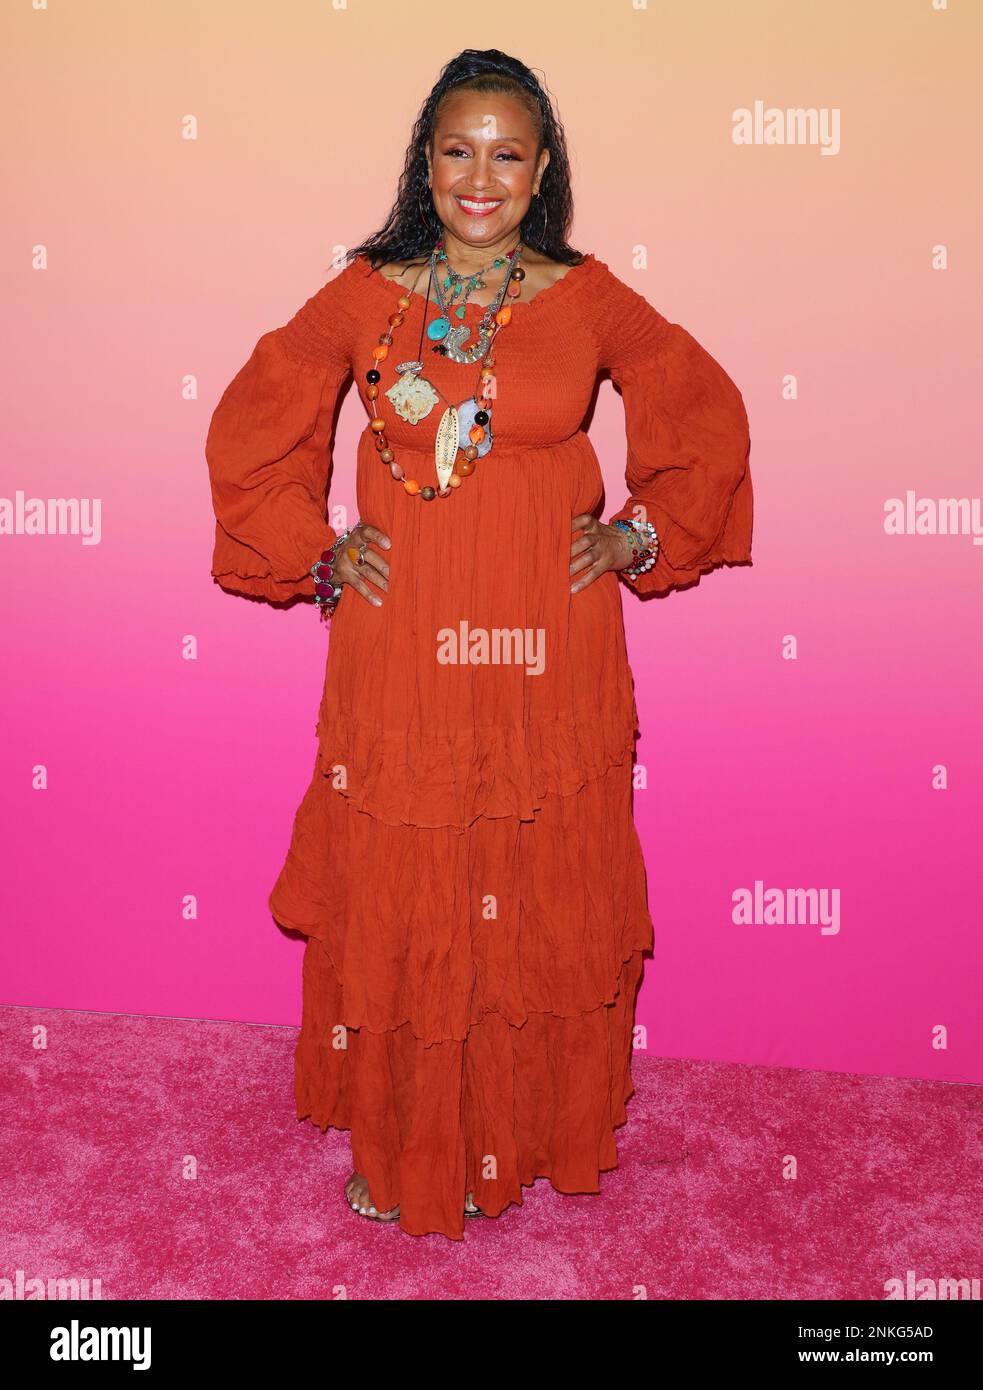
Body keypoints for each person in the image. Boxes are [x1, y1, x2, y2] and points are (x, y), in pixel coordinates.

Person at [205, 48, 752, 1241]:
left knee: (524, 855)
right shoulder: (366, 291)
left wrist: (638, 536)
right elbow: (262, 412)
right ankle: (409, 1139)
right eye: (458, 148)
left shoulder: (588, 293)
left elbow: (695, 402)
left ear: (541, 165)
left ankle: (519, 1132)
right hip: (403, 644)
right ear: (425, 158)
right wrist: (315, 544)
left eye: (507, 151)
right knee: (410, 866)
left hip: (546, 639)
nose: (480, 174)